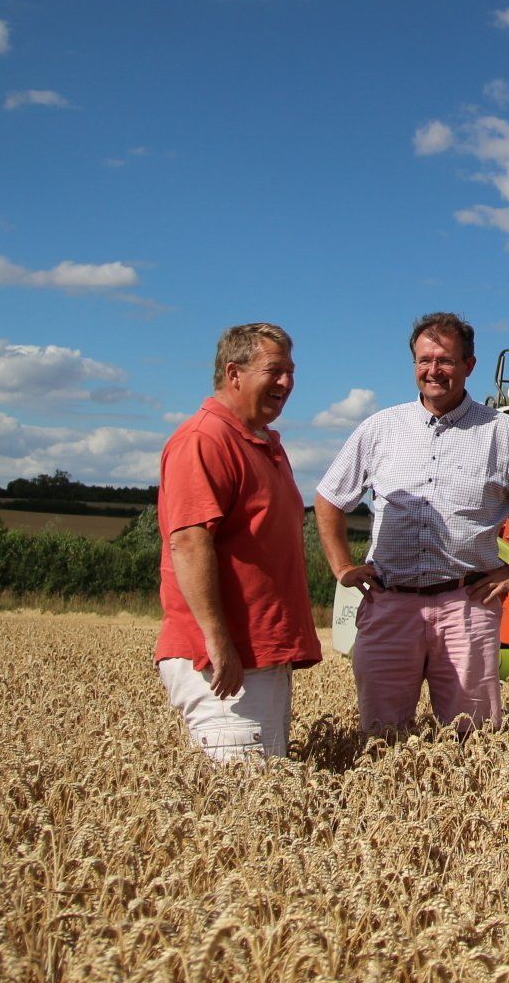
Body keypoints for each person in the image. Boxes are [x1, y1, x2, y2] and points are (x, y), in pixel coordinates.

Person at [315, 311, 509, 733]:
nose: (433, 370)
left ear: (469, 366)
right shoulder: (380, 429)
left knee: (470, 737)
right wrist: (343, 567)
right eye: (424, 360)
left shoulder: (503, 434)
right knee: (380, 737)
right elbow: (329, 498)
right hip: (390, 603)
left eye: (446, 361)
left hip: (465, 606)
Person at [154, 322, 321, 762]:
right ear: (234, 373)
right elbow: (189, 543)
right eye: (274, 370)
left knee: (263, 792)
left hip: (259, 653)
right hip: (226, 661)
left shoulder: (262, 443)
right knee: (242, 807)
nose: (286, 382)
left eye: (290, 371)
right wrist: (218, 642)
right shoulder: (204, 440)